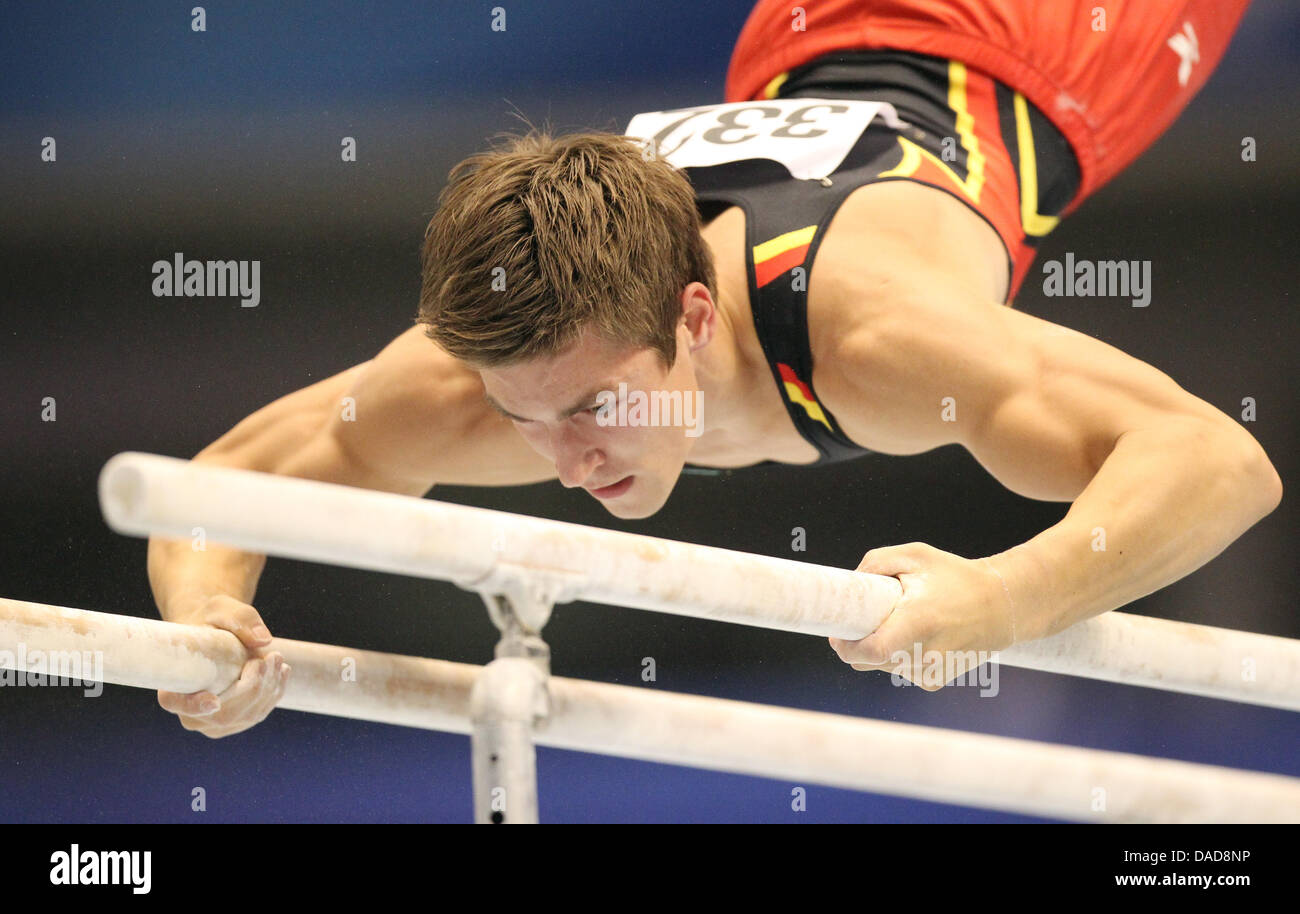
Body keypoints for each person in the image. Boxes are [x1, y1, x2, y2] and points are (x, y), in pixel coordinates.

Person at [152, 0, 1278, 737]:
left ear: (693, 317)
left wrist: (1003, 599)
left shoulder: (865, 331)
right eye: (525, 418)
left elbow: (1218, 461)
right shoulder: (488, 375)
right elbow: (220, 485)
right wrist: (209, 620)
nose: (568, 458)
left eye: (596, 405)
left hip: (1045, 39)